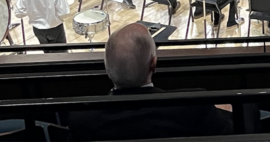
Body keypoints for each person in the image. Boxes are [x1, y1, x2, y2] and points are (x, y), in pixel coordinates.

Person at [66, 23, 233, 141]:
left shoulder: (81, 120)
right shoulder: (194, 105)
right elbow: (232, 130)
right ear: (153, 64)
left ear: (107, 67)